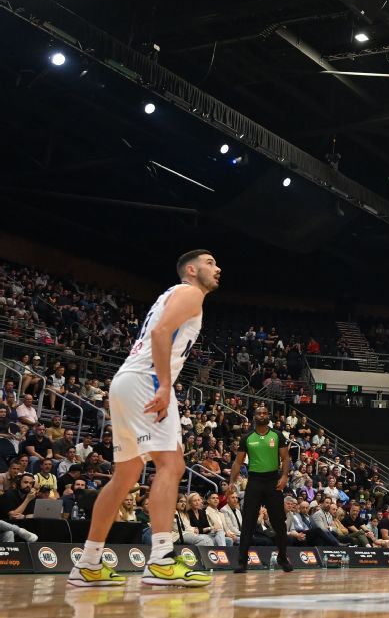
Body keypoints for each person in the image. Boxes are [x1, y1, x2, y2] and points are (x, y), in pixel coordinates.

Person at [67, 250, 218, 588]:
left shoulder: (171, 295)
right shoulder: (190, 292)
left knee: (126, 475)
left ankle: (89, 563)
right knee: (172, 466)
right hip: (147, 380)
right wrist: (165, 384)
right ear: (191, 270)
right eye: (210, 263)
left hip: (126, 380)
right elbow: (161, 333)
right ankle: (161, 560)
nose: (217, 268)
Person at [227, 405, 291, 573]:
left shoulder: (277, 435)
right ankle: (242, 562)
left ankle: (283, 558)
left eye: (264, 413)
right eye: (259, 413)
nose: (262, 415)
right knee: (248, 522)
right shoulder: (247, 437)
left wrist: (284, 476)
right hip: (254, 481)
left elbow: (286, 458)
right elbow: (237, 462)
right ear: (254, 416)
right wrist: (232, 482)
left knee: (278, 522)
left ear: (268, 416)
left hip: (273, 481)